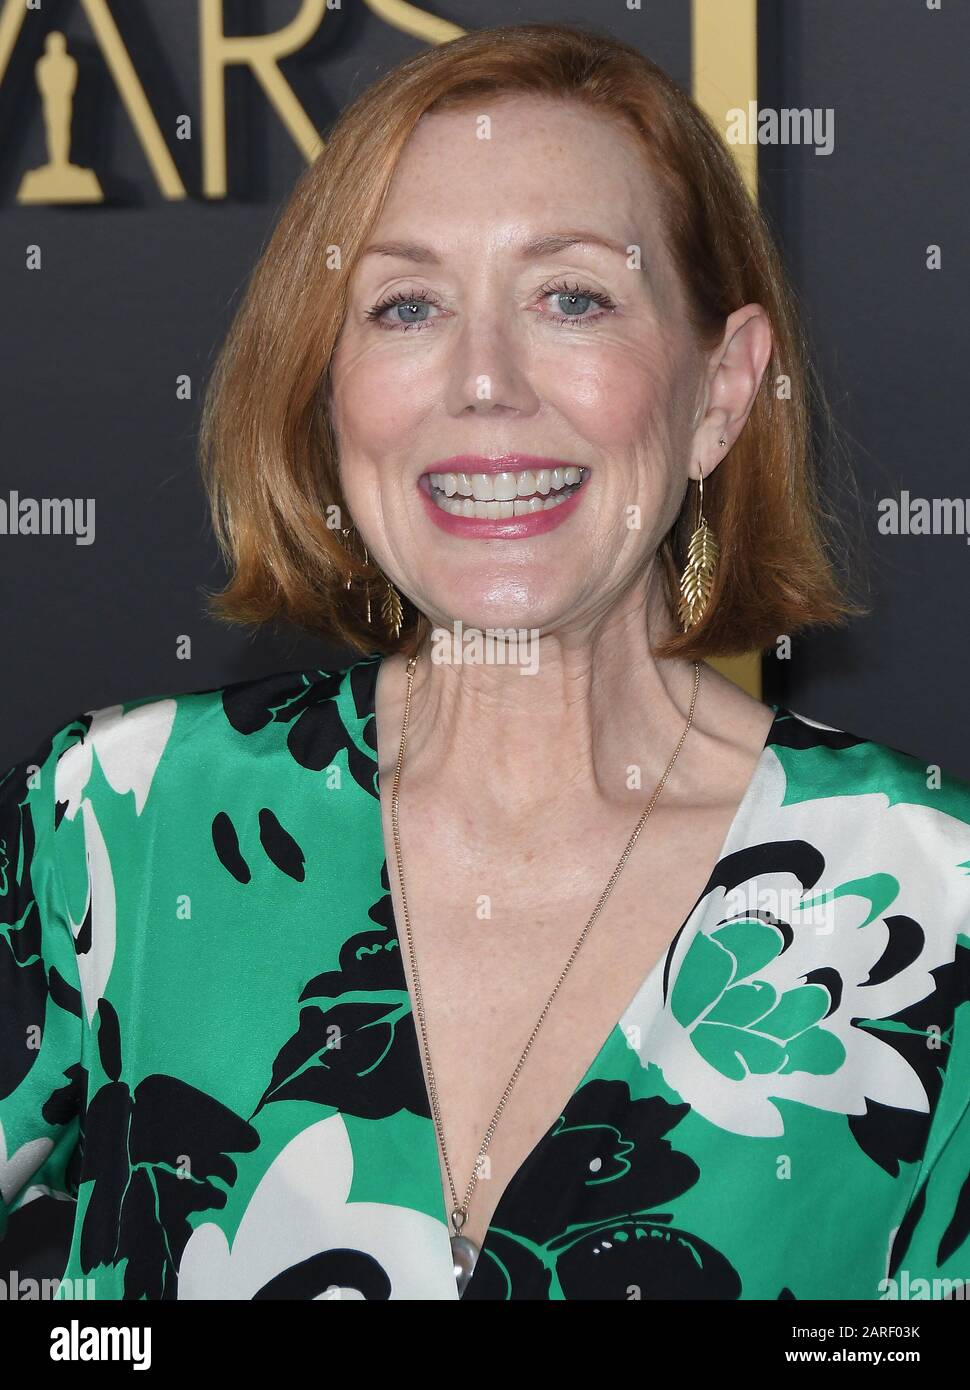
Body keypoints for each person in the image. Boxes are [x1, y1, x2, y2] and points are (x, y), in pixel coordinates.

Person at [2, 22, 968, 1302]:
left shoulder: (933, 896)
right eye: (406, 305)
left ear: (720, 392)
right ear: (330, 391)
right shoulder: (115, 822)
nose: (482, 381)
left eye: (572, 296)